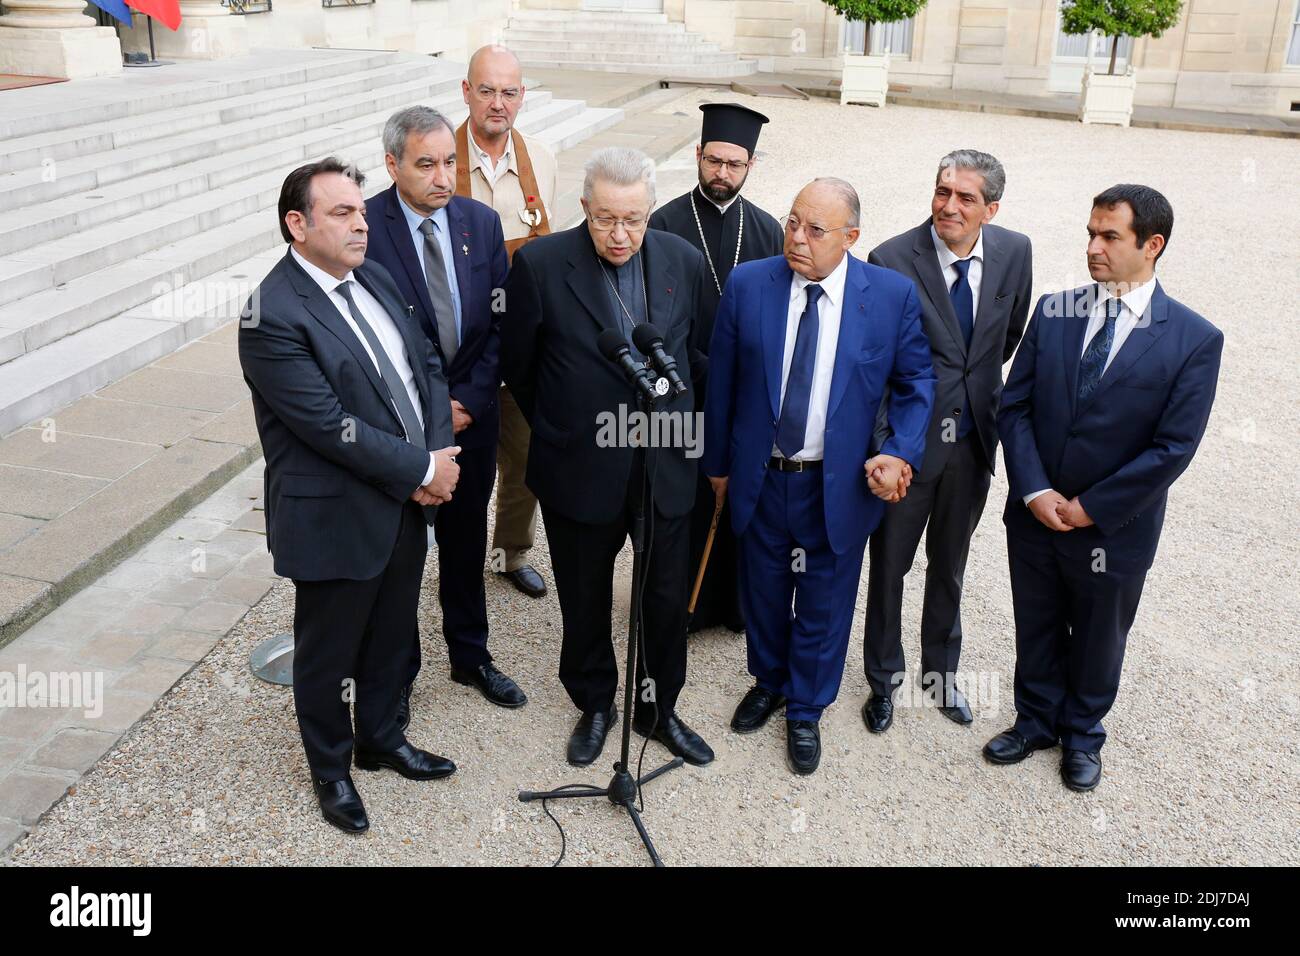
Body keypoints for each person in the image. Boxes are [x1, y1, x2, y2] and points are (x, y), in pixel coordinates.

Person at [238, 158, 461, 834]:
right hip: (335, 512)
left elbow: (424, 364)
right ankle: (331, 771)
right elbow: (330, 428)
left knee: (394, 630)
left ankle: (382, 739)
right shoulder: (269, 315)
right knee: (329, 652)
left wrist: (437, 453)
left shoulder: (373, 274)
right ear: (296, 224)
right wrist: (421, 467)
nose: (362, 224)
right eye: (342, 213)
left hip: (400, 496)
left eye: (362, 211)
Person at [988, 184, 1223, 792]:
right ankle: (1035, 720)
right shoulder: (1054, 311)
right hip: (1036, 515)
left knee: (1099, 633)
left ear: (1153, 245)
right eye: (1090, 233)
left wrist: (1092, 507)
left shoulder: (1194, 339)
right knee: (1035, 622)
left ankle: (1083, 734)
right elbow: (1014, 407)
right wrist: (1035, 491)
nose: (1093, 247)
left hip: (1114, 529)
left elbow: (1174, 448)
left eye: (1109, 236)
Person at [703, 177, 935, 775]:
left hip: (837, 486)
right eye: (791, 222)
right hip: (763, 477)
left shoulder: (889, 297)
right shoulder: (750, 284)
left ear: (851, 237)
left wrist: (902, 453)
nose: (796, 239)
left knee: (826, 602)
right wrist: (718, 467)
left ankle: (806, 709)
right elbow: (722, 384)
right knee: (764, 590)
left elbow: (916, 385)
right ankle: (770, 680)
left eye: (815, 230)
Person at [500, 147, 715, 768]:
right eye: (605, 220)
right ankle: (596, 702)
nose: (620, 235)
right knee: (585, 596)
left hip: (664, 465)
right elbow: (521, 368)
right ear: (584, 208)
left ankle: (657, 707)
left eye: (634, 219)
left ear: (650, 211)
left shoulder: (683, 259)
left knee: (664, 598)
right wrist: (568, 426)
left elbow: (697, 354)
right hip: (579, 467)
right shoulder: (539, 266)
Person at [862, 149, 1033, 733]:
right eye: (942, 192)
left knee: (950, 565)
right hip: (907, 448)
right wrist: (889, 447)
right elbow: (876, 364)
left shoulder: (1015, 253)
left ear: (991, 208)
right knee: (889, 568)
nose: (948, 206)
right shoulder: (889, 259)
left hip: (975, 443)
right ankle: (883, 682)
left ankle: (940, 674)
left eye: (964, 198)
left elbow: (1006, 340)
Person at [364, 106, 526, 720]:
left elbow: (499, 322)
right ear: (392, 164)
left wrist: (468, 402)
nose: (443, 176)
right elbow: (370, 342)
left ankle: (470, 655)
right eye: (426, 164)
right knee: (404, 551)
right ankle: (397, 672)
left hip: (471, 418)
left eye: (450, 161)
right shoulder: (367, 229)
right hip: (403, 429)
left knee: (464, 540)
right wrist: (432, 415)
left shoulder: (480, 223)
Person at [648, 102, 784, 633]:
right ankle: (681, 603)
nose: (722, 173)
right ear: (697, 155)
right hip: (683, 387)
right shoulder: (664, 223)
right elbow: (655, 314)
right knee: (685, 496)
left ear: (750, 165)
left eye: (735, 164)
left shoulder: (770, 230)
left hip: (748, 393)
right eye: (714, 161)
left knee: (741, 492)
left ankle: (733, 604)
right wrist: (700, 367)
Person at [455, 44, 560, 601]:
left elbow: (547, 253)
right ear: (466, 91)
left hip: (520, 340)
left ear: (523, 97)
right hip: (459, 343)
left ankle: (509, 551)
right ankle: (457, 554)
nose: (499, 103)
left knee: (524, 456)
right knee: (461, 459)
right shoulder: (440, 159)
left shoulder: (541, 157)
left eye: (510, 92)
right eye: (487, 90)